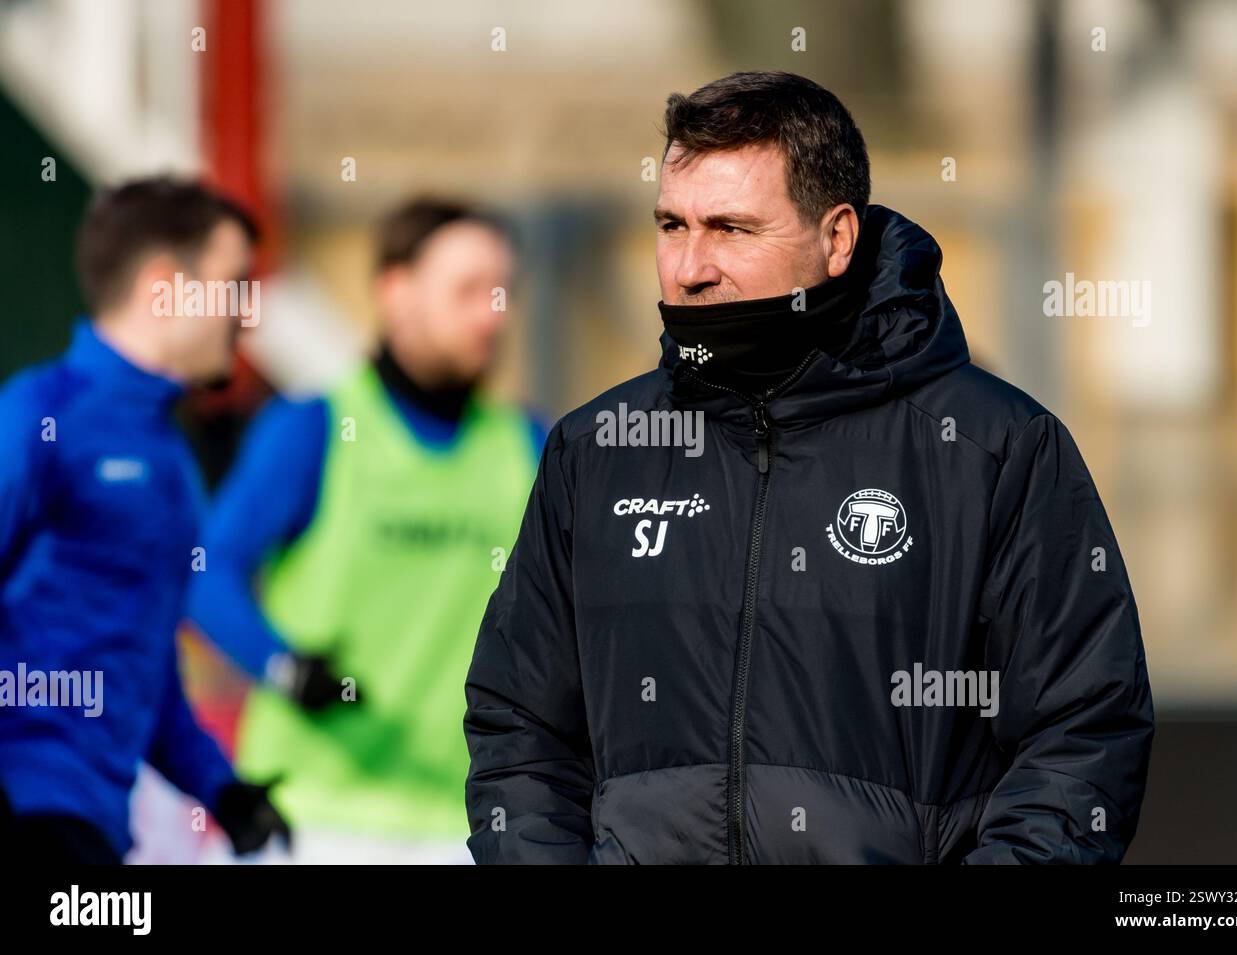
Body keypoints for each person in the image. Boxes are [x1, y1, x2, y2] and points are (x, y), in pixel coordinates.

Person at [464, 71, 1156, 864]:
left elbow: (1084, 731)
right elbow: (519, 725)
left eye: (730, 228)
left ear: (836, 240)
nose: (688, 266)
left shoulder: (993, 450)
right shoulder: (596, 450)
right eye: (670, 224)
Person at [188, 199, 545, 863]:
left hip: (463, 825)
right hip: (313, 817)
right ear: (396, 292)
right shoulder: (316, 429)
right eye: (468, 291)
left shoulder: (530, 447)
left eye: (503, 293)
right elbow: (206, 571)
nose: (494, 315)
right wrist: (282, 667)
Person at [0, 176, 290, 863]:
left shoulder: (166, 455)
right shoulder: (42, 416)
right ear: (166, 286)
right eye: (233, 283)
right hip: (29, 810)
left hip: (92, 824)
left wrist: (222, 789)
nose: (246, 315)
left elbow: (142, 664)